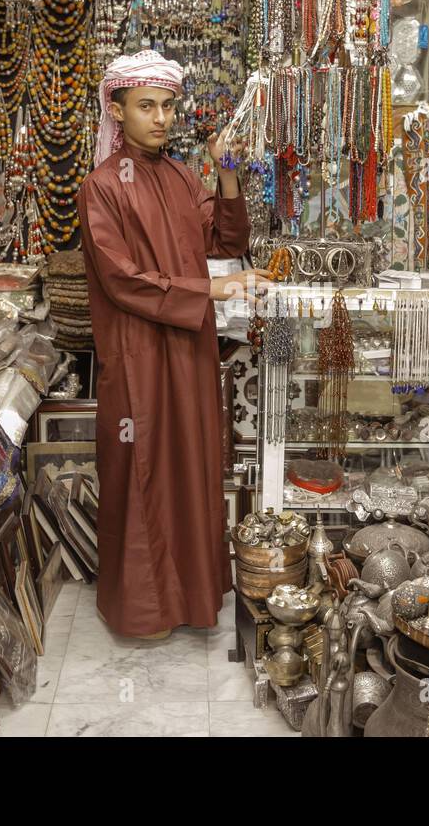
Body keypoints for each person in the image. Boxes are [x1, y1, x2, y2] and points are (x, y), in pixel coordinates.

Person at [77, 50, 269, 640]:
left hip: (188, 345)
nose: (160, 118)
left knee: (191, 468)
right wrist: (209, 287)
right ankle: (142, 608)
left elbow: (228, 234)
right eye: (146, 107)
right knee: (141, 472)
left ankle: (190, 599)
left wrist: (226, 171)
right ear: (118, 109)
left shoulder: (185, 177)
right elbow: (120, 279)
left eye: (167, 106)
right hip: (138, 353)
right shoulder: (102, 187)